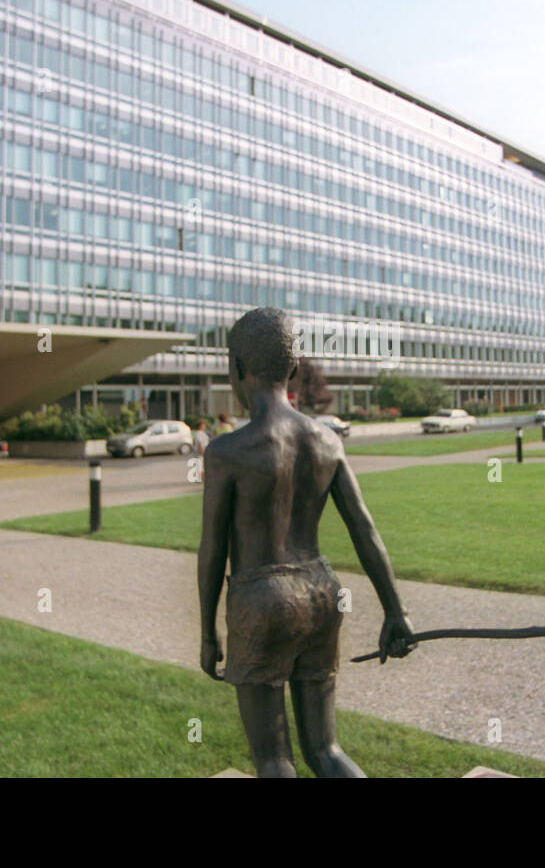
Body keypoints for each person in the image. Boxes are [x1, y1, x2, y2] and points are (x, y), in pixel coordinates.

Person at [198, 307, 417, 777]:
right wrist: (395, 610)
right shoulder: (327, 441)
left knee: (275, 760)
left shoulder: (226, 452)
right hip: (321, 591)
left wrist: (206, 631)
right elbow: (365, 529)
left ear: (236, 368)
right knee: (326, 751)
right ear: (294, 367)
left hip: (260, 598)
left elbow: (213, 550)